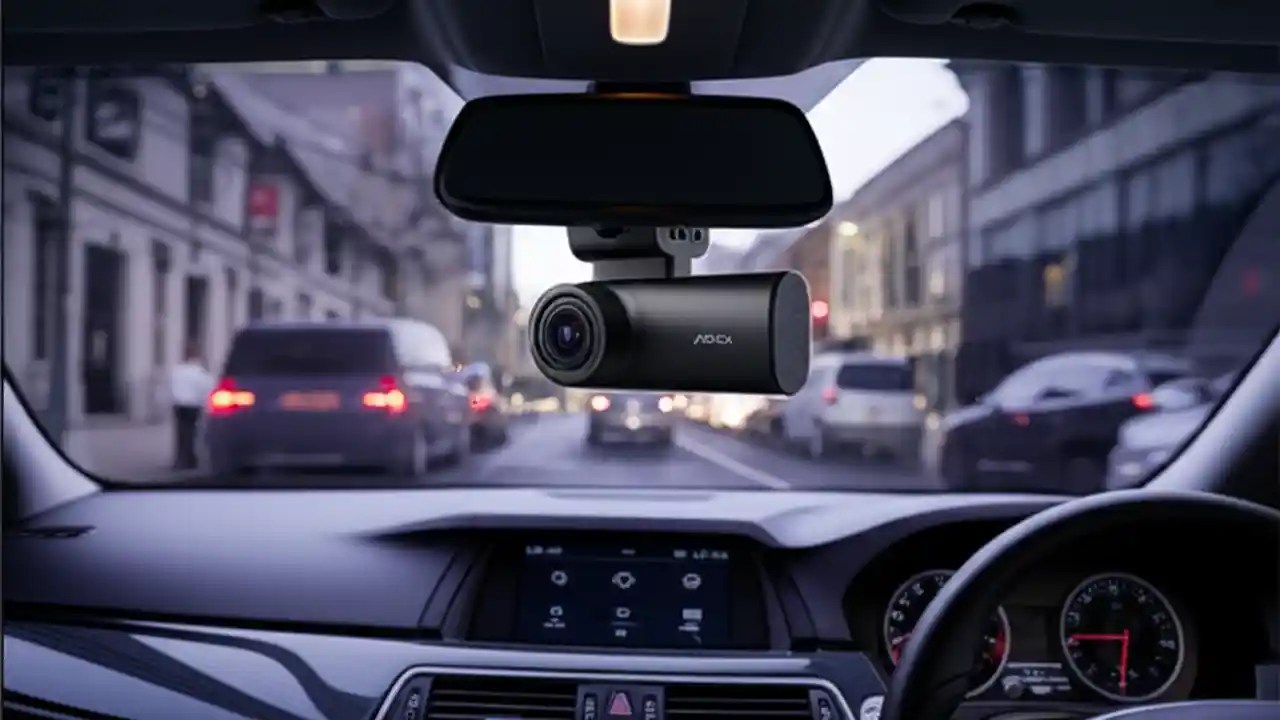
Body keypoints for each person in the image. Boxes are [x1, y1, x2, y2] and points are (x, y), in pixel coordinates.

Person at [169, 342, 214, 470]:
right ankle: (190, 459)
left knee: (181, 433)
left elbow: (171, 386)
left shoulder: (177, 370)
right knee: (192, 432)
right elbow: (207, 388)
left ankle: (180, 459)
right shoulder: (200, 371)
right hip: (194, 405)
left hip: (179, 404)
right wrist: (207, 404)